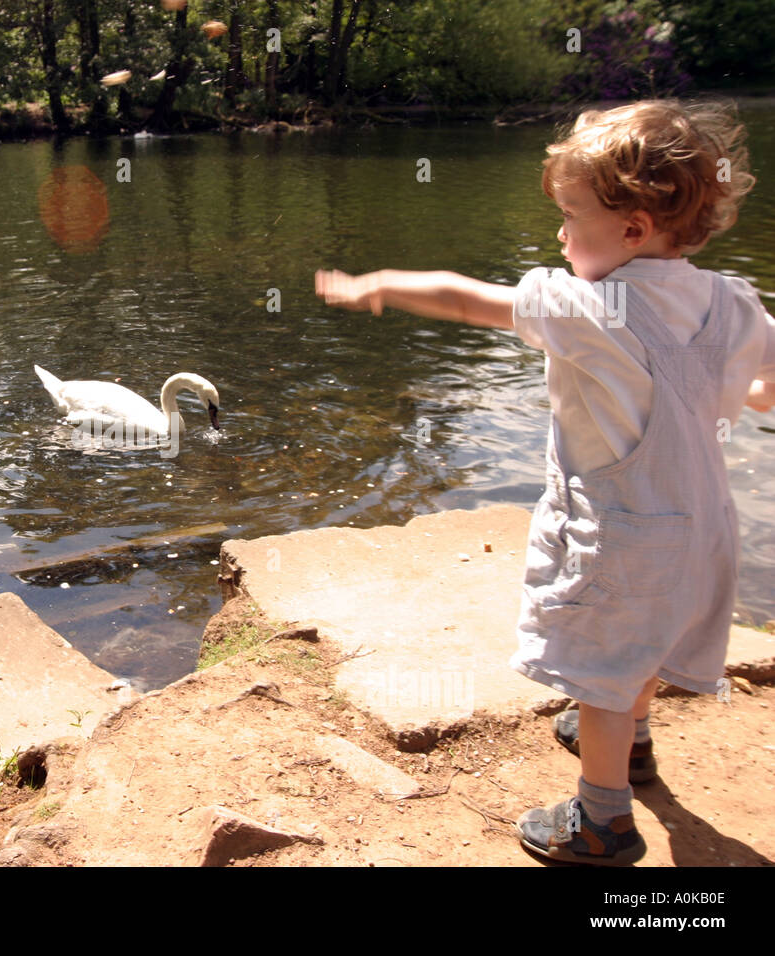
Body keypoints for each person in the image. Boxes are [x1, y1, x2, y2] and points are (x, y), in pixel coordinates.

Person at [315, 99, 775, 865]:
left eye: (570, 216)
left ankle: (601, 821)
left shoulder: (586, 304)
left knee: (598, 672)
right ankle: (634, 745)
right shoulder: (733, 301)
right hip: (705, 530)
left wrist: (382, 283)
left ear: (632, 230)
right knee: (643, 639)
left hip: (624, 534)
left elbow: (467, 298)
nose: (559, 235)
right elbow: (764, 384)